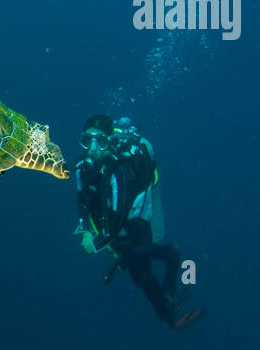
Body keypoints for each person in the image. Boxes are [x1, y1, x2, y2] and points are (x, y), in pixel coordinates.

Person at [74, 115, 203, 330]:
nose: (93, 148)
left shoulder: (119, 170)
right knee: (135, 266)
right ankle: (170, 277)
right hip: (112, 228)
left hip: (134, 221)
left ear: (109, 142)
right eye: (88, 141)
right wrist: (85, 230)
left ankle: (170, 312)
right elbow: (82, 201)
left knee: (140, 273)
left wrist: (95, 244)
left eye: (101, 142)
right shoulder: (81, 167)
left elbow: (119, 217)